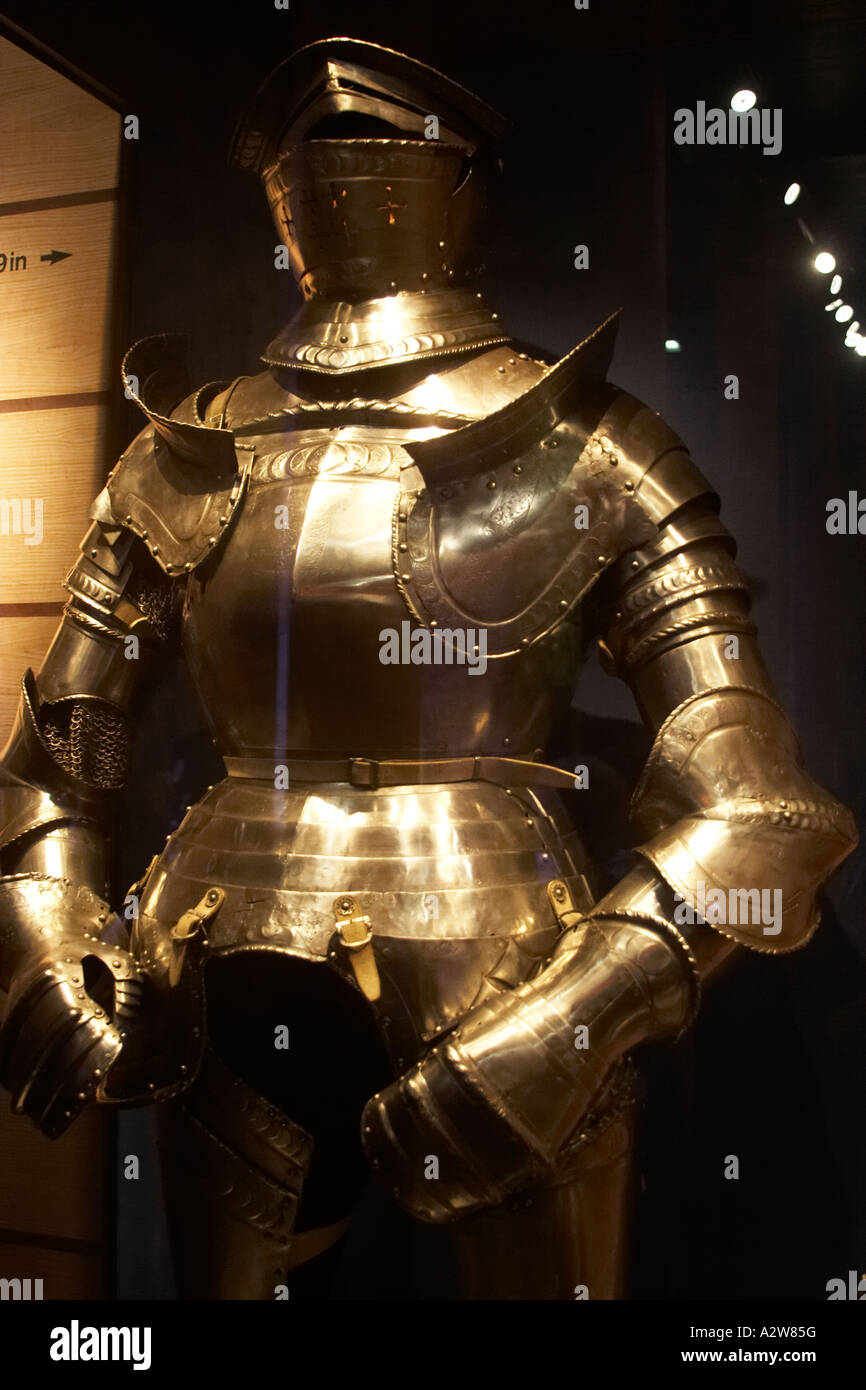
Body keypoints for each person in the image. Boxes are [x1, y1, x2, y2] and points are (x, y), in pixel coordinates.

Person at [0, 37, 855, 1299]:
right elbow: (58, 766)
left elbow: (758, 811)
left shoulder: (594, 446)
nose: (340, 168)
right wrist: (50, 934)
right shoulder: (182, 453)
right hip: (225, 977)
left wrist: (573, 1021)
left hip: (507, 968)